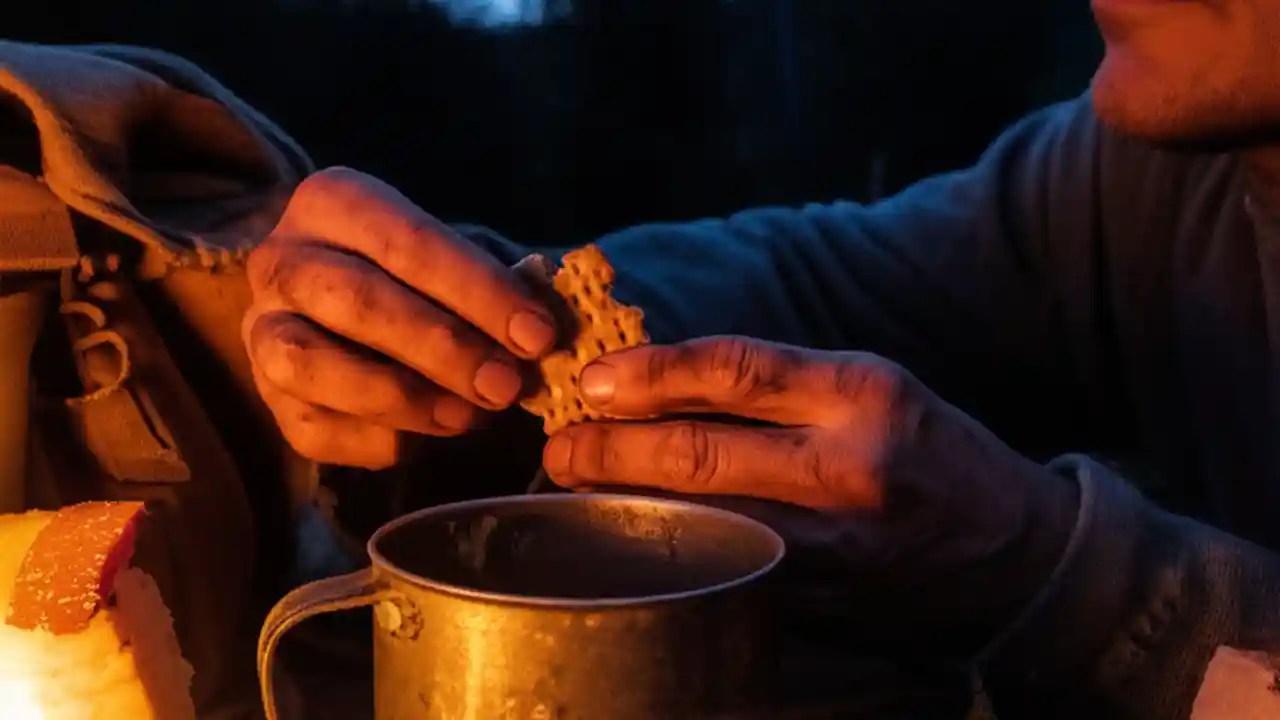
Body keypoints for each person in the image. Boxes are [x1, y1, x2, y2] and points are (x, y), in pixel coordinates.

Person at [239, 0, 1280, 716]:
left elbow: (1055, 567)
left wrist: (1058, 567)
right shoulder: (1155, 185)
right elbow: (817, 284)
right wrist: (462, 315)